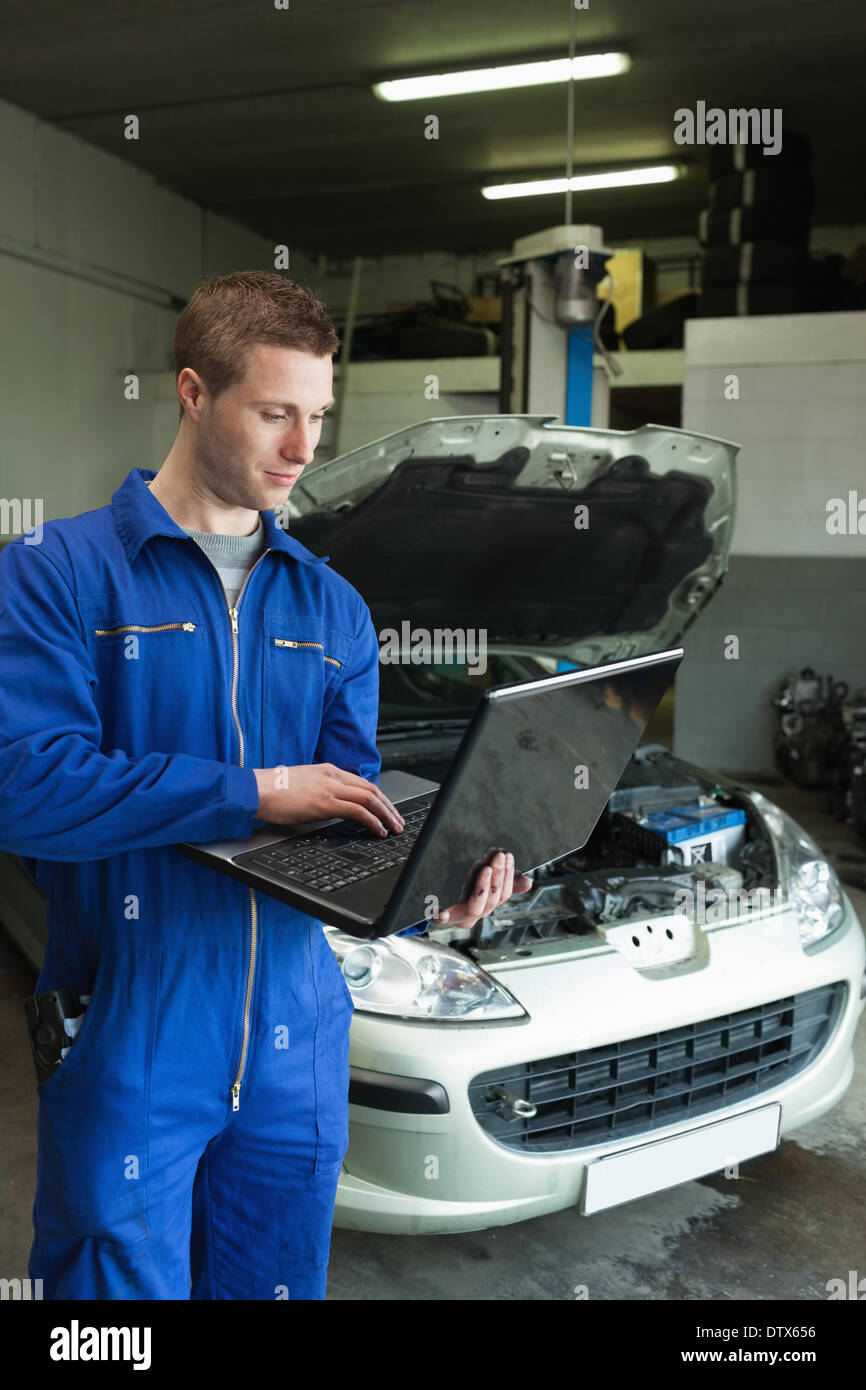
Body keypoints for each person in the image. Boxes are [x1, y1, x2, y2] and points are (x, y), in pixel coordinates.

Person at [0, 270, 530, 1300]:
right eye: (275, 413)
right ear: (194, 394)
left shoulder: (330, 604)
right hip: (133, 1019)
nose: (303, 450)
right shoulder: (58, 573)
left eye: (319, 417)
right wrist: (251, 790)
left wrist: (431, 882)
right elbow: (25, 784)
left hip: (298, 1029)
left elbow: (350, 822)